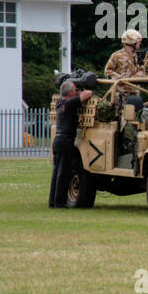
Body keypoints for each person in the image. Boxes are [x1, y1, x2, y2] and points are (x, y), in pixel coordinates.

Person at [49, 80, 92, 208]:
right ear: (70, 92)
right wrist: (84, 87)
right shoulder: (70, 102)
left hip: (58, 140)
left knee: (56, 172)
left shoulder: (60, 102)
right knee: (64, 173)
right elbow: (88, 94)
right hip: (66, 140)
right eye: (75, 90)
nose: (77, 91)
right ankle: (60, 203)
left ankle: (52, 202)